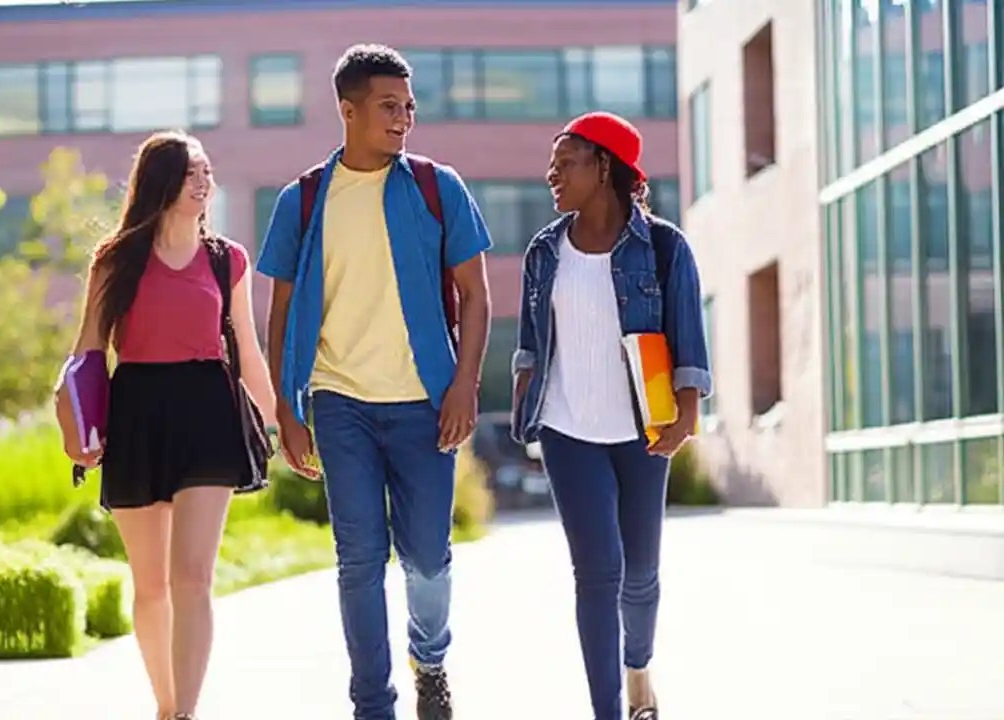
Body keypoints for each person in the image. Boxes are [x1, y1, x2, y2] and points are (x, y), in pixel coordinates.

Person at [256, 44, 492, 720]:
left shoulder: (435, 187)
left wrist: (465, 384)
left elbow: (476, 295)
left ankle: (432, 660)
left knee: (425, 557)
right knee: (359, 559)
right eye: (390, 107)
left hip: (424, 401)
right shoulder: (302, 200)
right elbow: (280, 311)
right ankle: (372, 704)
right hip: (339, 402)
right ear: (348, 110)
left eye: (410, 107)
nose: (404, 119)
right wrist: (286, 406)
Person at [63, 130, 277, 720]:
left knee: (192, 578)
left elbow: (248, 353)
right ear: (161, 182)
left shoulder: (226, 259)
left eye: (207, 171)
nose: (203, 182)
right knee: (151, 586)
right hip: (137, 413)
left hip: (207, 411)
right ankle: (165, 704)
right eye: (190, 173)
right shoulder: (116, 259)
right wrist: (79, 427)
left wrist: (282, 422)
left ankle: (186, 711)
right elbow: (88, 350)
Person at [510, 112, 711, 720]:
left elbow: (688, 337)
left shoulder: (665, 246)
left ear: (604, 167)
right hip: (569, 432)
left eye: (564, 162)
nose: (551, 174)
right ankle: (606, 710)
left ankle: (639, 670)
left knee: (640, 574)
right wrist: (527, 407)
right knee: (597, 574)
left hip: (643, 429)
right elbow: (529, 343)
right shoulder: (545, 252)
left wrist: (686, 413)